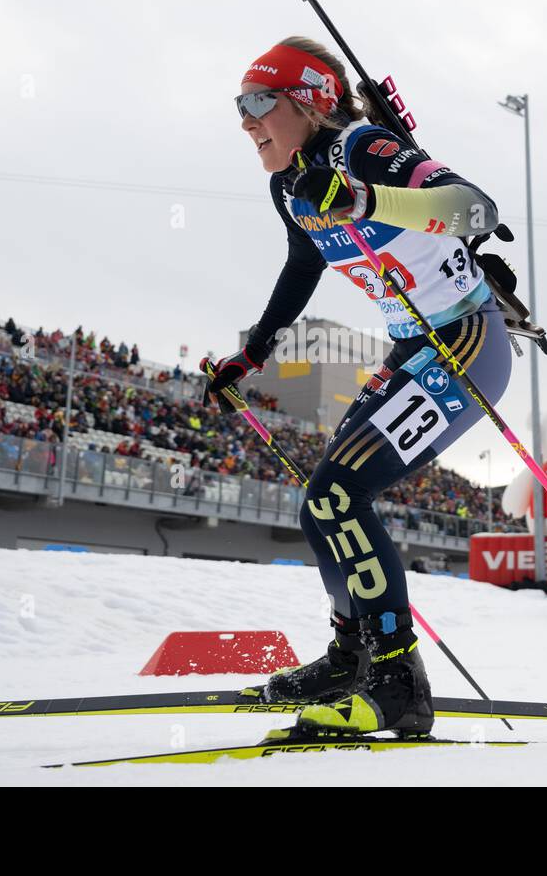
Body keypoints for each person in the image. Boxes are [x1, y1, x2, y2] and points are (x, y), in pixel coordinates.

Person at [203, 37, 513, 738]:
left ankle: (399, 682)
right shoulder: (290, 185)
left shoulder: (361, 148)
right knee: (321, 509)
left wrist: (366, 197)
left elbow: (476, 211)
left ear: (309, 103)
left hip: (463, 338)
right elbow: (301, 266)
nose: (247, 121)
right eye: (240, 105)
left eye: (260, 102)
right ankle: (353, 656)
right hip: (412, 345)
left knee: (340, 495)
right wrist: (250, 354)